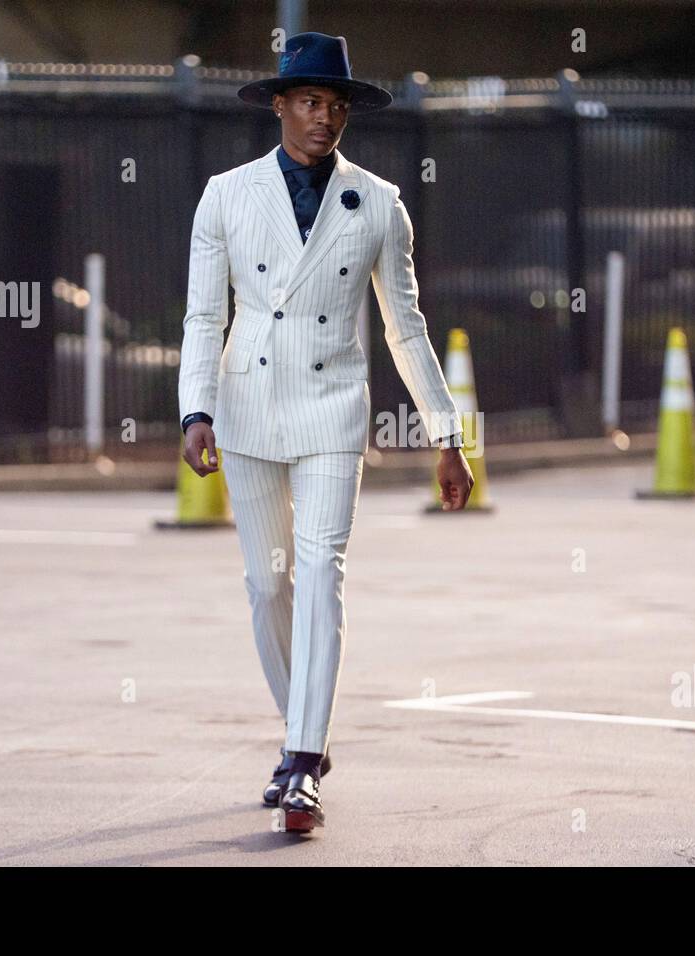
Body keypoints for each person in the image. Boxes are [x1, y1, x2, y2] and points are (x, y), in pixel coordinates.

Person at [177, 31, 474, 832]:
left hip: (333, 411)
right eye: (310, 102)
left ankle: (305, 760)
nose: (323, 119)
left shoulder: (378, 203)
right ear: (280, 105)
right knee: (267, 584)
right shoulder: (226, 195)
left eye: (336, 107)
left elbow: (405, 327)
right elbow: (206, 315)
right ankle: (297, 735)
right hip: (245, 409)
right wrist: (195, 409)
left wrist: (448, 435)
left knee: (321, 570)